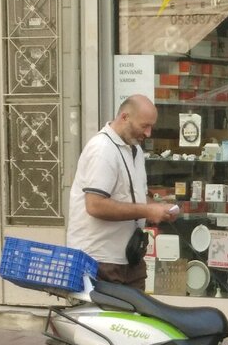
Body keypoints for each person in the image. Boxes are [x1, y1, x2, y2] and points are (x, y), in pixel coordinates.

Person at [67, 94, 179, 289]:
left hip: (128, 258)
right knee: (106, 319)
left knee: (136, 317)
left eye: (151, 126)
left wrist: (158, 209)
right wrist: (147, 211)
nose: (149, 133)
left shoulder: (133, 149)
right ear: (124, 117)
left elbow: (131, 196)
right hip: (99, 259)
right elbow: (95, 205)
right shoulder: (102, 149)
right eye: (144, 126)